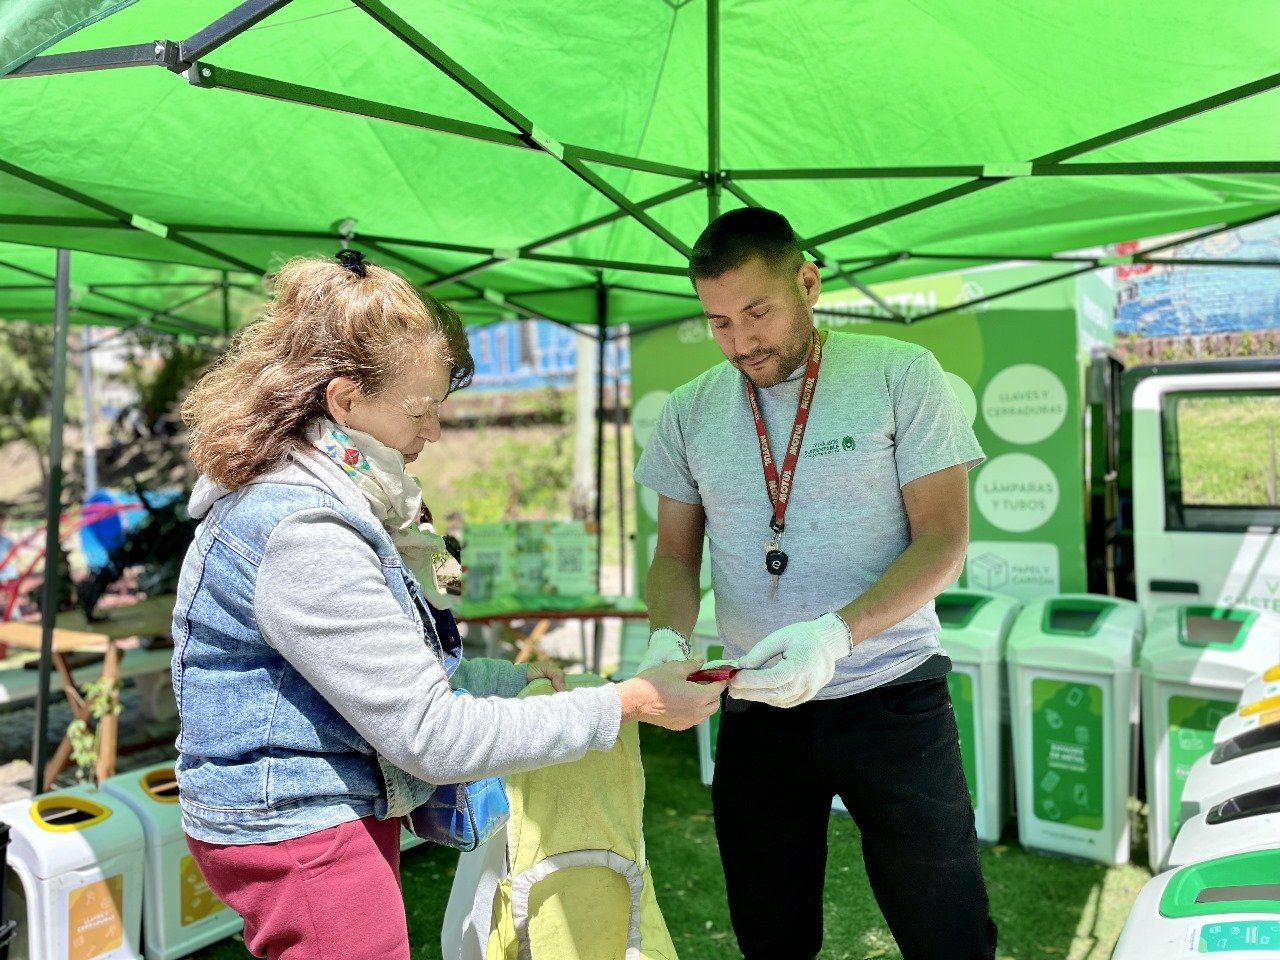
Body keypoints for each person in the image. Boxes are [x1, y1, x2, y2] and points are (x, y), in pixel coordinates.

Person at [173, 252, 724, 960]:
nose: (432, 432)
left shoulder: (312, 499)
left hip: (310, 812)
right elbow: (432, 736)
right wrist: (626, 701)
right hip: (299, 826)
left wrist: (511, 683)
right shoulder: (305, 531)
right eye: (422, 410)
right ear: (345, 401)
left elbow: (396, 670)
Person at [634, 208, 997, 959]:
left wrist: (834, 635)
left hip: (893, 696)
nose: (742, 342)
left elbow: (943, 540)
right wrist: (667, 641)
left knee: (946, 927)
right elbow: (674, 555)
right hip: (757, 705)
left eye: (758, 312)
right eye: (719, 322)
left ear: (808, 282)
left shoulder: (901, 374)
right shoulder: (691, 409)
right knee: (770, 933)